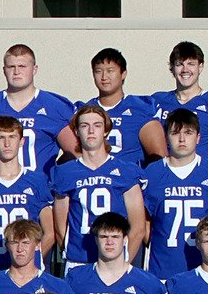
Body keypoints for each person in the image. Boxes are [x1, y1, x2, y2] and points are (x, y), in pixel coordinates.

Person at [140, 108, 208, 280]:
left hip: (204, 271)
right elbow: (145, 227)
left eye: (188, 133)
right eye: (175, 133)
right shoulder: (152, 173)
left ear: (198, 137)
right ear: (166, 137)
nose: (182, 139)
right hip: (163, 269)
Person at [49, 105, 146, 271]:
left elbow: (138, 227)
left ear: (106, 131)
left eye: (97, 125)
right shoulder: (65, 172)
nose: (91, 131)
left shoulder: (126, 171)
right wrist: (72, 251)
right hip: (79, 259)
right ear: (77, 131)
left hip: (116, 261)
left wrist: (123, 264)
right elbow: (60, 227)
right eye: (85, 126)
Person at [0, 44, 77, 174]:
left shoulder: (55, 106)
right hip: (0, 190)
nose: (16, 72)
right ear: (4, 70)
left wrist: (53, 173)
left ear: (34, 69)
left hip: (41, 189)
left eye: (22, 66)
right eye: (11, 67)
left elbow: (73, 150)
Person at [0, 117, 55, 270]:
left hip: (30, 271)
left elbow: (50, 231)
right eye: (1, 137)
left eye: (12, 137)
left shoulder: (37, 180)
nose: (7, 144)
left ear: (21, 141)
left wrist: (34, 258)